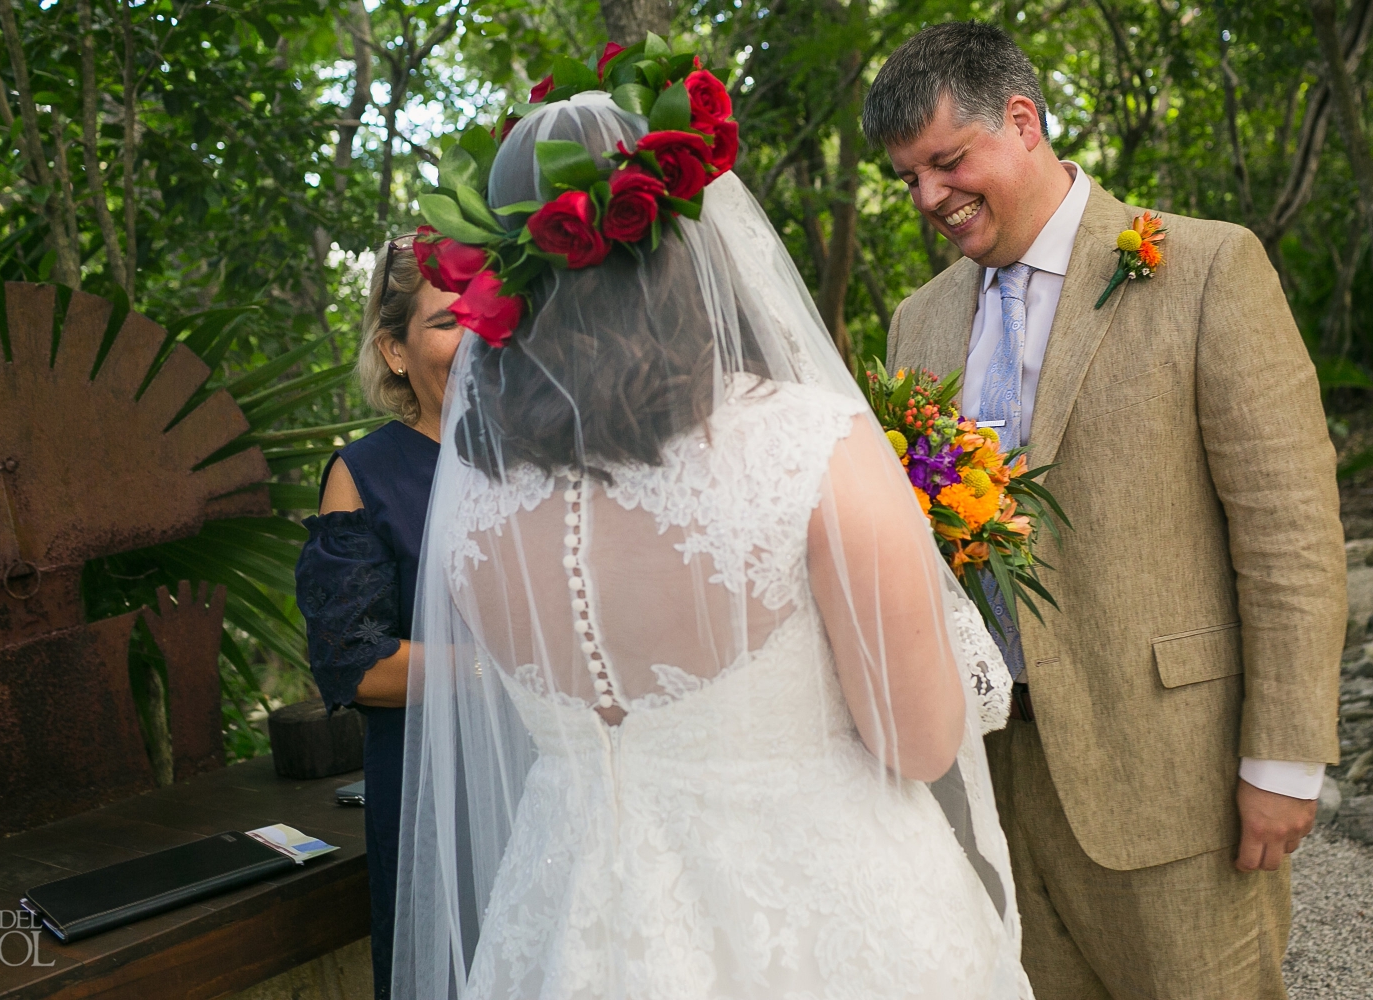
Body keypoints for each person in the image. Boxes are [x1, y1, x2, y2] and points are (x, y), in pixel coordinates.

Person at [393, 90, 1033, 999]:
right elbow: (922, 742)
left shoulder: (475, 504)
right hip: (822, 924)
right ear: (693, 244)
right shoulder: (809, 447)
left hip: (572, 926)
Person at [864, 22, 1345, 1000]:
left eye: (947, 163)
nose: (928, 199)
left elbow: (1288, 530)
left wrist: (1287, 761)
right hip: (996, 783)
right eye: (907, 178)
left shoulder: (1206, 268)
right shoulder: (918, 320)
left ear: (1024, 121)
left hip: (1177, 783)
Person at [294, 240, 460, 999]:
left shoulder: (551, 458)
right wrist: (501, 667)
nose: (480, 336)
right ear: (395, 350)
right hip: (434, 802)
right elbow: (355, 665)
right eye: (451, 319)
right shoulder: (362, 476)